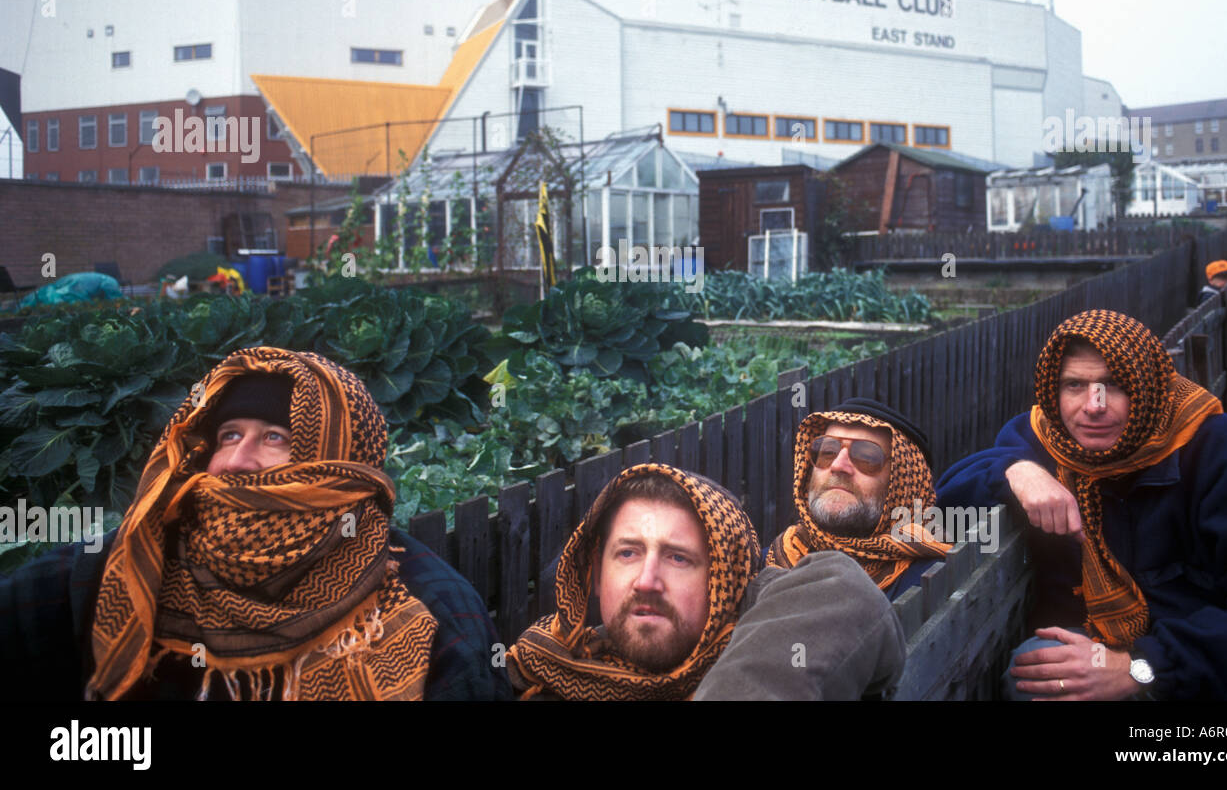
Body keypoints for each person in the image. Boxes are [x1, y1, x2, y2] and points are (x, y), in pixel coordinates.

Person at [0, 346, 511, 701]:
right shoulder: (121, 568)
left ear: (341, 460)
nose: (238, 461)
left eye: (274, 438)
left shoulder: (432, 609)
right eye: (227, 435)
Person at [937, 309, 1227, 700]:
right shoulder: (1043, 438)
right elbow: (947, 506)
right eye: (1074, 385)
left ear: (1148, 386)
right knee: (1037, 672)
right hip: (1095, 646)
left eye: (1114, 384)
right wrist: (1017, 470)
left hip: (1212, 655)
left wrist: (1144, 667)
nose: (1093, 405)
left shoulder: (1221, 451)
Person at [507, 463, 906, 700]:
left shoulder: (766, 636)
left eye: (678, 558)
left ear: (724, 583)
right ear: (596, 573)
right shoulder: (545, 668)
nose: (646, 581)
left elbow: (841, 592)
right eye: (627, 553)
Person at [767, 398, 950, 599]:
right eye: (827, 452)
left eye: (867, 457)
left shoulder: (932, 581)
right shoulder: (769, 560)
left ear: (903, 485)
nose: (838, 465)